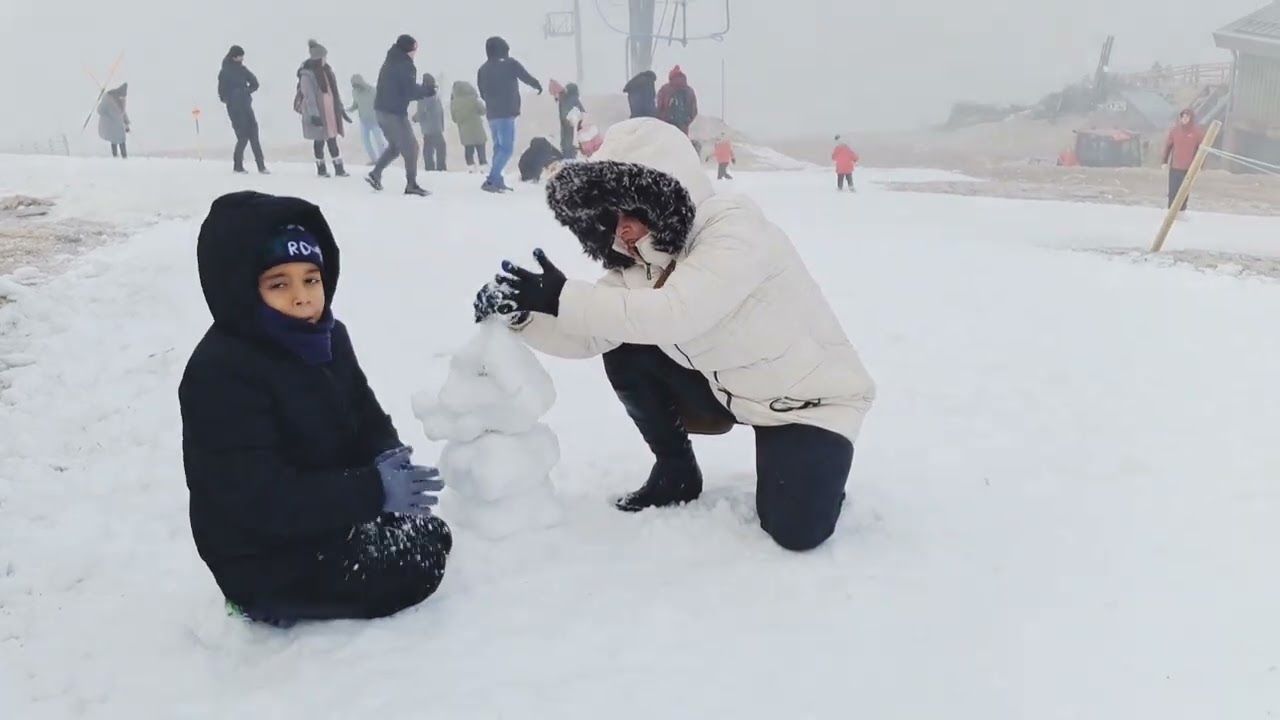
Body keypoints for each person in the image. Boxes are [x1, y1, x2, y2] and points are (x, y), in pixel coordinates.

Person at [473, 119, 876, 552]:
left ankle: (817, 471)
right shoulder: (642, 259)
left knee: (795, 532)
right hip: (730, 392)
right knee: (622, 340)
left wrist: (563, 296)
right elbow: (588, 335)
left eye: (632, 212)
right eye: (612, 216)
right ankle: (675, 470)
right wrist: (523, 314)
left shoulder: (732, 227)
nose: (621, 229)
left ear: (665, 195)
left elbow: (680, 311)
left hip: (806, 405)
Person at [179, 190, 453, 626]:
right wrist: (373, 491)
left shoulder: (328, 336)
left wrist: (386, 451)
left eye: (311, 279)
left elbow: (362, 407)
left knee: (428, 534)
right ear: (242, 289)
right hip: (264, 554)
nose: (303, 297)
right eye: (279, 284)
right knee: (419, 563)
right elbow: (260, 497)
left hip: (323, 513)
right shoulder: (222, 373)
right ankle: (260, 604)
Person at [369, 34, 433, 196]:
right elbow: (409, 91)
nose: (415, 52)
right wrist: (427, 90)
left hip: (382, 111)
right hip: (393, 114)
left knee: (395, 147)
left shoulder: (390, 61)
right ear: (408, 49)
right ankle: (411, 185)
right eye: (414, 49)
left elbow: (402, 87)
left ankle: (375, 174)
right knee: (411, 148)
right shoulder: (406, 65)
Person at [477, 36, 543, 193]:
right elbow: (525, 76)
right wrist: (537, 85)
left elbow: (482, 91)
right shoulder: (510, 64)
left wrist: (491, 103)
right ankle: (492, 180)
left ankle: (498, 179)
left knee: (498, 148)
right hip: (507, 112)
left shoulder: (483, 69)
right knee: (506, 149)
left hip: (492, 113)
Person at [295, 40, 351, 178]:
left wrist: (340, 109)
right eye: (324, 56)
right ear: (318, 58)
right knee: (319, 141)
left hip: (330, 113)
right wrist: (314, 115)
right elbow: (309, 97)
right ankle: (321, 169)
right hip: (318, 114)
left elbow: (334, 92)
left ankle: (339, 168)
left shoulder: (327, 71)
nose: (326, 59)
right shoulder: (307, 75)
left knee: (332, 139)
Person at [218, 46, 268, 174]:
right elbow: (221, 94)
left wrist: (246, 91)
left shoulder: (242, 70)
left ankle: (261, 166)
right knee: (243, 136)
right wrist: (233, 98)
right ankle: (238, 166)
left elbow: (255, 83)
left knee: (254, 134)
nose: (242, 58)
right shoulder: (224, 72)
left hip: (246, 106)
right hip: (235, 110)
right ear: (234, 56)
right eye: (240, 56)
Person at [1163, 108, 1205, 211]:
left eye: (1187, 117)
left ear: (1191, 118)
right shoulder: (1174, 131)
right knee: (1173, 191)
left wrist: (1200, 165)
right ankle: (1170, 212)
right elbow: (1168, 147)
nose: (1184, 119)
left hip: (1189, 168)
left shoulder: (1197, 133)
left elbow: (1201, 151)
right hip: (1175, 167)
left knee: (1184, 192)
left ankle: (1181, 212)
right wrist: (1164, 161)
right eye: (1183, 117)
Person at [451, 80, 489, 173]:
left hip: (464, 131)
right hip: (477, 129)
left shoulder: (454, 103)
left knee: (468, 150)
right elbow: (483, 111)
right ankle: (483, 167)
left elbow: (454, 118)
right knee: (481, 150)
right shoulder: (473, 99)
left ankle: (471, 168)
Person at [347, 74, 386, 164]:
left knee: (379, 141)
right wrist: (349, 109)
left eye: (357, 84)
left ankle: (383, 159)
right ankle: (374, 160)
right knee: (366, 142)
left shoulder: (372, 91)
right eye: (354, 85)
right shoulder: (355, 92)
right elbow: (356, 104)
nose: (356, 87)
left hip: (375, 120)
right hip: (364, 121)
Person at [414, 73, 447, 172]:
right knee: (439, 147)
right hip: (434, 127)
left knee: (429, 147)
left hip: (429, 128)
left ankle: (430, 167)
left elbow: (422, 113)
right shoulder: (431, 96)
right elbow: (427, 112)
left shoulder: (423, 96)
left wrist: (416, 117)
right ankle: (439, 167)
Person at [656, 66, 698, 136]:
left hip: (667, 128)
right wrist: (686, 123)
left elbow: (659, 108)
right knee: (681, 145)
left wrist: (663, 121)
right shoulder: (689, 91)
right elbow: (694, 111)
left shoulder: (665, 89)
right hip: (683, 129)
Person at [97, 83, 130, 159]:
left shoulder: (121, 101)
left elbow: (123, 113)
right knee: (114, 140)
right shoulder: (108, 99)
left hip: (119, 126)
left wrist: (127, 123)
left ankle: (124, 157)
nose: (123, 97)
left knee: (121, 140)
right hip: (111, 125)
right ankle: (115, 157)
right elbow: (100, 111)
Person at [556, 82, 585, 159]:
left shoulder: (562, 100)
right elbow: (582, 112)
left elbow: (561, 113)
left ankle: (566, 157)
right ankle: (571, 158)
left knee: (565, 142)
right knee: (572, 142)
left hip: (564, 125)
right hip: (573, 125)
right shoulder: (575, 99)